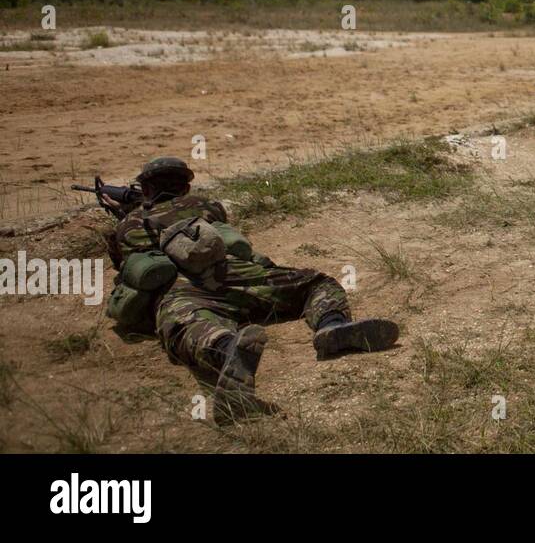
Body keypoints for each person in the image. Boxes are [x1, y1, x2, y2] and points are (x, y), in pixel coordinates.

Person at [107, 157, 399, 418]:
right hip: (239, 275)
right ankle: (332, 325)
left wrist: (126, 215)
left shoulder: (131, 223)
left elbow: (127, 265)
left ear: (147, 189)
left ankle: (227, 350)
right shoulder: (207, 206)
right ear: (185, 186)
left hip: (181, 291)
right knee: (315, 283)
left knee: (187, 326)